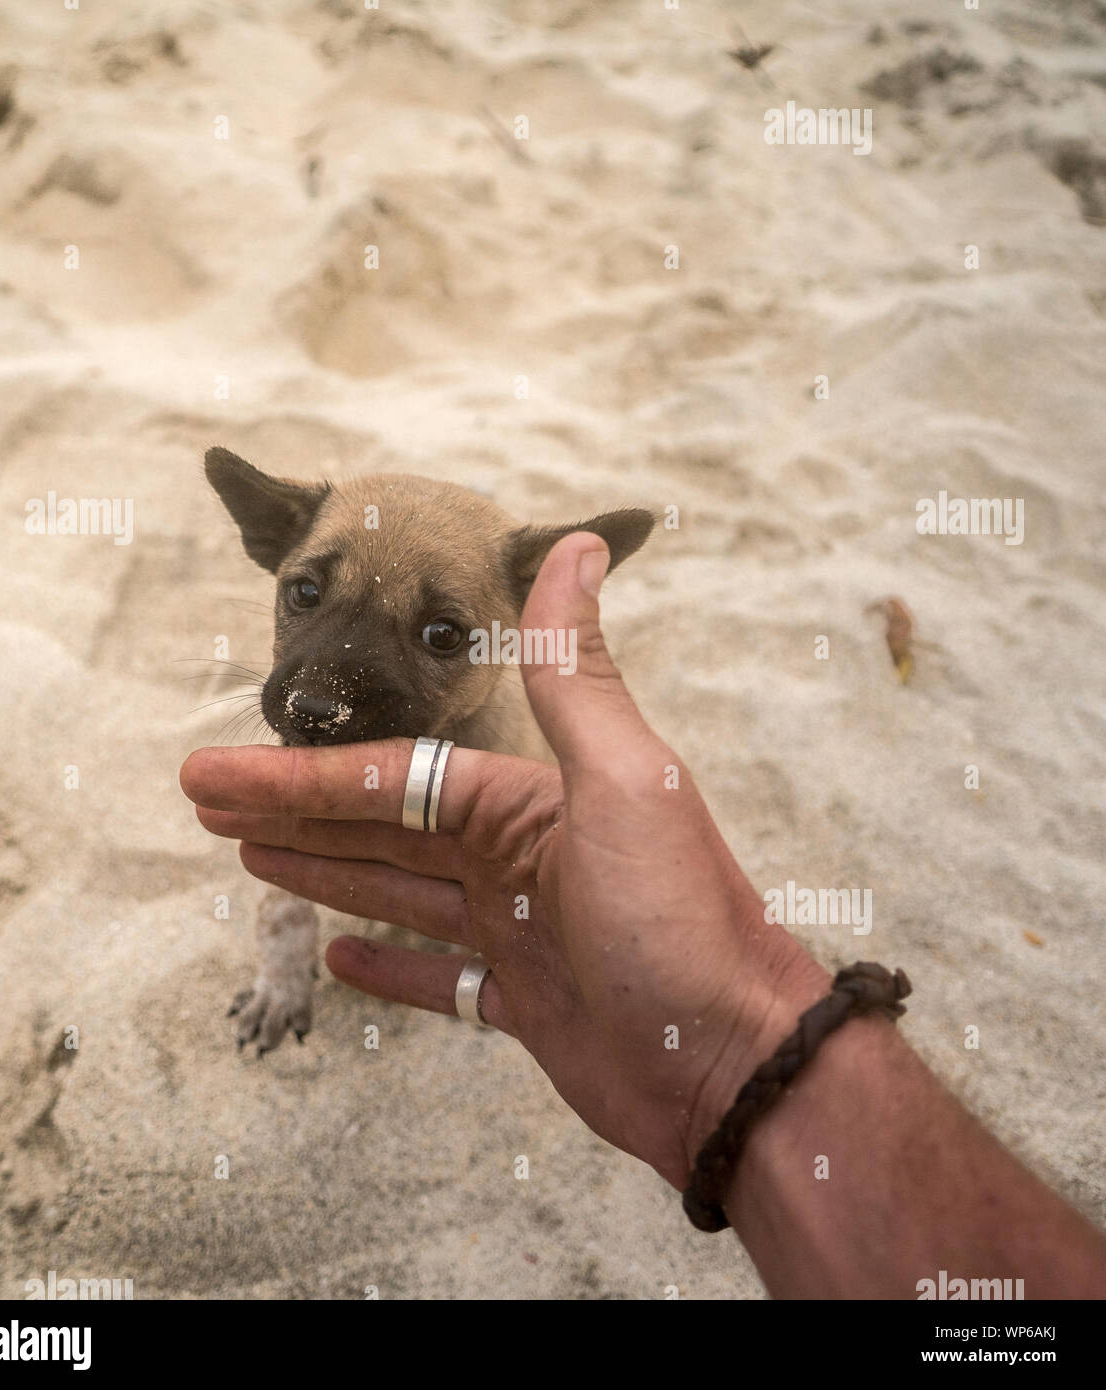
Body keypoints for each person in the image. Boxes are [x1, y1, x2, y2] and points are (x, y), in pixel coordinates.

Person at [180, 533, 1106, 1299]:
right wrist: (282, 966)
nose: (319, 694)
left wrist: (722, 1036)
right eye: (305, 592)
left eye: (438, 632)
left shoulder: (522, 744)